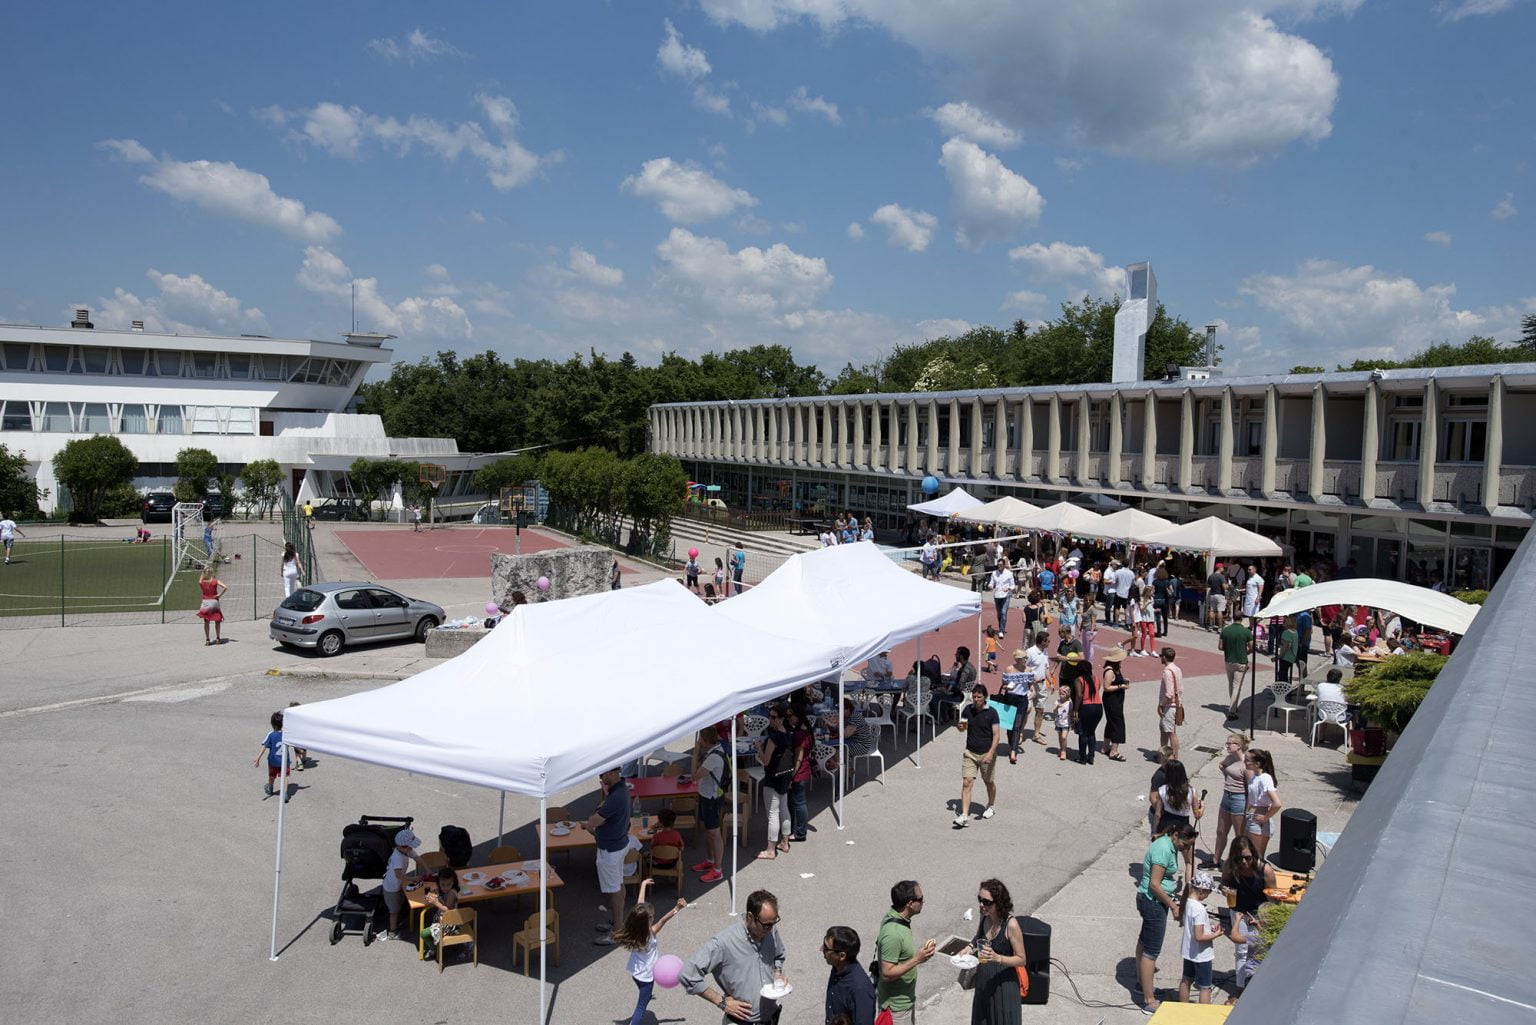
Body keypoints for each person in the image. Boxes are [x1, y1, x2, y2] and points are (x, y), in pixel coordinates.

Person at [679, 888, 786, 1024]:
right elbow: (688, 975)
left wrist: (778, 974)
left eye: (773, 923)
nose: (770, 929)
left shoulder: (771, 930)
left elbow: (778, 956)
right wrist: (721, 1001)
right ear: (750, 917)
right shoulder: (723, 942)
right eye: (766, 925)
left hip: (770, 1019)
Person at [1134, 823, 1199, 1015]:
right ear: (1176, 835)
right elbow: (1155, 884)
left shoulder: (1169, 845)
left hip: (1150, 901)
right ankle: (1149, 1000)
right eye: (1185, 845)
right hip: (1153, 903)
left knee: (1144, 942)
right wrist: (1173, 906)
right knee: (1151, 951)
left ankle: (1141, 983)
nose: (1186, 849)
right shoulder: (1163, 850)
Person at [616, 878, 688, 1025]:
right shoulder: (650, 934)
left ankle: (646, 995)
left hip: (635, 973)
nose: (654, 918)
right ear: (647, 921)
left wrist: (643, 885)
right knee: (641, 1008)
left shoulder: (634, 931)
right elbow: (663, 920)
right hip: (646, 978)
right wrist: (677, 908)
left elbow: (639, 905)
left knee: (645, 995)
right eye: (652, 917)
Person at [965, 878, 1026, 1025]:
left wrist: (997, 957)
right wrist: (969, 947)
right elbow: (978, 936)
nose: (981, 905)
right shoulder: (984, 915)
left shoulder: (1011, 925)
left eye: (987, 902)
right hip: (984, 981)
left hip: (1002, 984)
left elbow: (1022, 959)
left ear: (999, 902)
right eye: (980, 899)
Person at [876, 880, 936, 1024]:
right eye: (920, 899)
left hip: (905, 1002)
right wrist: (917, 959)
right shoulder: (893, 933)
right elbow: (887, 973)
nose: (923, 901)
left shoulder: (897, 918)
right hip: (897, 1010)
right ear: (910, 903)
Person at [585, 766, 633, 945]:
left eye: (602, 774)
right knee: (618, 885)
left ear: (612, 773)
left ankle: (617, 931)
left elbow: (593, 821)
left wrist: (591, 824)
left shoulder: (615, 797)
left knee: (615, 890)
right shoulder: (621, 789)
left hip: (610, 850)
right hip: (618, 845)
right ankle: (618, 923)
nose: (600, 778)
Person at [955, 684, 1000, 827]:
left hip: (987, 753)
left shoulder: (992, 713)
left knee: (989, 782)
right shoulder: (968, 710)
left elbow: (996, 736)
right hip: (970, 753)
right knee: (967, 782)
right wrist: (960, 727)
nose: (976, 699)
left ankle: (991, 805)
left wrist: (990, 754)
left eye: (979, 697)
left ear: (985, 697)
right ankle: (964, 815)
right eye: (974, 697)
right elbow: (963, 728)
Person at [690, 726, 729, 883]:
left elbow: (694, 776)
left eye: (701, 739)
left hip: (712, 798)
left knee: (714, 833)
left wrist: (695, 754)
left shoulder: (714, 757)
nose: (699, 741)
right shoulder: (713, 751)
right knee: (707, 830)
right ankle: (710, 860)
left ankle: (718, 870)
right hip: (705, 795)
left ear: (705, 740)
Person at [1178, 871, 1223, 1004]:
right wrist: (1216, 934)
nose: (1208, 895)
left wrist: (1209, 928)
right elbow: (1199, 936)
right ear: (1202, 891)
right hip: (1202, 954)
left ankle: (1182, 1008)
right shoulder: (1199, 909)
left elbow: (1195, 928)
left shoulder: (1187, 903)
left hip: (1189, 951)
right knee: (1205, 987)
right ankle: (1204, 1014)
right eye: (1208, 892)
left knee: (1186, 980)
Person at [756, 706, 794, 860]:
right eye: (770, 716)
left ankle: (771, 850)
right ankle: (785, 843)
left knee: (773, 813)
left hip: (773, 777)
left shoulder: (774, 737)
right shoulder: (788, 734)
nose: (770, 720)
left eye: (774, 717)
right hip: (785, 775)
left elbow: (765, 761)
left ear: (781, 719)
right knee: (784, 808)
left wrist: (759, 748)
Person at [1212, 734, 1251, 868]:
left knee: (1239, 836)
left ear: (1238, 746)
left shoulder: (1246, 764)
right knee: (1221, 831)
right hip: (1226, 796)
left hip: (1239, 799)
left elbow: (1249, 789)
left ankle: (1237, 862)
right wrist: (1226, 774)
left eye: (1230, 744)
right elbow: (1222, 765)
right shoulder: (1230, 758)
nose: (1227, 746)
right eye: (1227, 743)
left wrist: (1247, 809)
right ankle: (1215, 860)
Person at [823, 925, 876, 1025]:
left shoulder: (860, 989)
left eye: (826, 948)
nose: (821, 949)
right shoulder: (837, 968)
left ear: (842, 956)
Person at [381, 827, 423, 940]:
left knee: (400, 903)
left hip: (399, 885)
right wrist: (413, 878)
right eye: (409, 847)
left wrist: (427, 869)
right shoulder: (397, 858)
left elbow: (417, 858)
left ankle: (400, 921)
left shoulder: (406, 850)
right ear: (402, 846)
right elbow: (398, 875)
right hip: (391, 888)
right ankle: (392, 932)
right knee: (394, 911)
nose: (411, 849)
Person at [1245, 748, 1282, 861]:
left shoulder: (1265, 778)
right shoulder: (1254, 777)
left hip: (1259, 822)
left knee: (1256, 857)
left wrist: (1265, 817)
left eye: (1247, 760)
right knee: (1249, 854)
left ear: (1257, 764)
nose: (1245, 762)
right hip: (1251, 817)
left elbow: (1277, 803)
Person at [417, 866, 460, 962]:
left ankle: (435, 949)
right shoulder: (447, 891)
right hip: (445, 920)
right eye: (442, 885)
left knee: (423, 934)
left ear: (453, 882)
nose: (445, 887)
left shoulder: (451, 893)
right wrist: (436, 894)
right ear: (439, 883)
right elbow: (442, 898)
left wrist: (436, 902)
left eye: (448, 884)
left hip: (450, 924)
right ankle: (436, 945)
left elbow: (447, 910)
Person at [996, 650, 1032, 764]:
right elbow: (1003, 684)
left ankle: (1013, 751)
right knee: (1010, 726)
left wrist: (1032, 694)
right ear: (1017, 659)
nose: (1025, 660)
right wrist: (1008, 687)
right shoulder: (1009, 669)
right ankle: (1011, 745)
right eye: (1024, 658)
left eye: (1026, 658)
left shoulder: (1028, 670)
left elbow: (1031, 686)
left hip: (1022, 699)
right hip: (1010, 698)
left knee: (1017, 726)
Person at [784, 706, 814, 843]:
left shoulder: (799, 735)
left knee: (799, 803)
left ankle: (800, 832)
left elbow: (798, 758)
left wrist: (792, 775)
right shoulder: (806, 730)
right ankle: (795, 829)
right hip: (804, 769)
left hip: (799, 772)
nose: (788, 719)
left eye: (790, 716)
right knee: (797, 802)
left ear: (798, 716)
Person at [1219, 616, 1254, 721]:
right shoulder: (1246, 632)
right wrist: (1246, 651)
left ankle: (1233, 706)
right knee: (1237, 686)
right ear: (1242, 619)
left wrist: (1229, 648)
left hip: (1229, 660)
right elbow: (1251, 647)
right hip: (1241, 661)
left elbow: (1220, 647)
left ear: (1233, 618)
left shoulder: (1225, 630)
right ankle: (1232, 711)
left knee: (1231, 684)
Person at [1099, 646, 1129, 761]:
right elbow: (1106, 687)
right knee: (1118, 723)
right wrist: (1120, 686)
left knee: (1111, 722)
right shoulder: (1109, 671)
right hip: (1111, 700)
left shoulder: (1116, 669)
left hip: (1117, 700)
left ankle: (1105, 747)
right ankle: (1113, 751)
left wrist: (1123, 681)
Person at [1071, 656, 1103, 765]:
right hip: (1098, 707)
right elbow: (1098, 689)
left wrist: (1075, 710)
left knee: (1083, 733)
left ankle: (1082, 758)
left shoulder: (1079, 680)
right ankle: (1091, 757)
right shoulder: (1096, 679)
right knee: (1091, 732)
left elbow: (1079, 696)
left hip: (1086, 708)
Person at [254, 710, 291, 800]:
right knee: (285, 777)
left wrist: (258, 758)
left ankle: (270, 788)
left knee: (272, 775)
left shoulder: (271, 735)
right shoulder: (286, 734)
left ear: (272, 724)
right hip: (284, 761)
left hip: (273, 761)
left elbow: (264, 746)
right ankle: (285, 794)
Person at [1026, 630, 1055, 746]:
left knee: (1040, 710)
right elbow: (1023, 667)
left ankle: (1036, 735)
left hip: (1042, 685)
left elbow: (1046, 668)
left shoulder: (1045, 652)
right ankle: (1021, 734)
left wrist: (1050, 681)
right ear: (1042, 641)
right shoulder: (1030, 652)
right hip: (1030, 685)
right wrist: (1032, 677)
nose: (1049, 642)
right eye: (1048, 641)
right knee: (1027, 710)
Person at [1157, 647, 1184, 760]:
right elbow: (1180, 689)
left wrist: (1161, 704)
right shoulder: (1177, 669)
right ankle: (1162, 754)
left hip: (1169, 706)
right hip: (1175, 705)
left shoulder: (1167, 672)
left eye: (1161, 656)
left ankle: (1174, 757)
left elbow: (1169, 693)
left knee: (1170, 732)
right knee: (1164, 730)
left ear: (1164, 657)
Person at [197, 565, 227, 645]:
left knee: (206, 621)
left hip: (206, 602)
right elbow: (225, 587)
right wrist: (219, 595)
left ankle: (207, 639)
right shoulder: (215, 581)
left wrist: (203, 573)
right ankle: (218, 638)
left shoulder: (202, 582)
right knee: (217, 621)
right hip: (214, 602)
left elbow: (200, 579)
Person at [989, 558, 1016, 637]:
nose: (999, 566)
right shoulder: (994, 573)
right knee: (999, 614)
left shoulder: (1009, 573)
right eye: (998, 565)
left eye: (1001, 565)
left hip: (1006, 595)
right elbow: (991, 583)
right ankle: (1001, 626)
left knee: (1003, 612)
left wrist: (1009, 588)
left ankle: (1001, 630)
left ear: (1004, 565)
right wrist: (990, 586)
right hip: (997, 595)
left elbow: (1013, 585)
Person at [1052, 683, 1073, 762]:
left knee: (1064, 737)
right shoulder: (1057, 701)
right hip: (1058, 722)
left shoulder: (1069, 703)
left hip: (1066, 723)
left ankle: (1064, 751)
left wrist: (1072, 721)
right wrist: (1057, 707)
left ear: (1067, 694)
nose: (1061, 695)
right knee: (1060, 737)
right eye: (1060, 693)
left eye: (1063, 694)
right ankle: (1061, 748)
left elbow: (1071, 713)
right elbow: (1054, 711)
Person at [1276, 615, 1299, 684]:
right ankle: (1286, 686)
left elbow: (1286, 646)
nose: (1283, 623)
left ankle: (1283, 688)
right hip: (1292, 656)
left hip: (1285, 657)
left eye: (1284, 621)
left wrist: (1279, 656)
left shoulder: (1286, 633)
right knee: (1285, 673)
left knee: (1282, 674)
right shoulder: (1295, 632)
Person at [1206, 564, 1228, 630]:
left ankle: (1210, 626)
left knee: (1212, 610)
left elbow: (1208, 585)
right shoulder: (1221, 576)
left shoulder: (1211, 576)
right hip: (1220, 595)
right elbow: (1224, 587)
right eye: (1223, 567)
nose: (1223, 569)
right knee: (1219, 611)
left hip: (1212, 595)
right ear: (1219, 568)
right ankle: (1220, 627)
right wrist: (1228, 585)